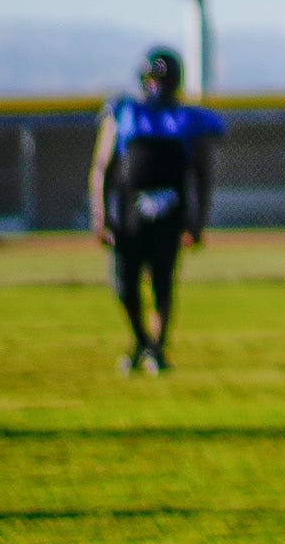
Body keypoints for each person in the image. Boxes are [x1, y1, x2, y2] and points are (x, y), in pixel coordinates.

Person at [87, 46, 222, 372]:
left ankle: (157, 350)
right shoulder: (123, 113)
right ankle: (141, 342)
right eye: (152, 79)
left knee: (162, 282)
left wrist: (197, 221)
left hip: (169, 213)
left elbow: (202, 176)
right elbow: (102, 167)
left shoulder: (188, 120)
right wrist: (101, 215)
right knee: (125, 284)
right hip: (129, 213)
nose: (157, 86)